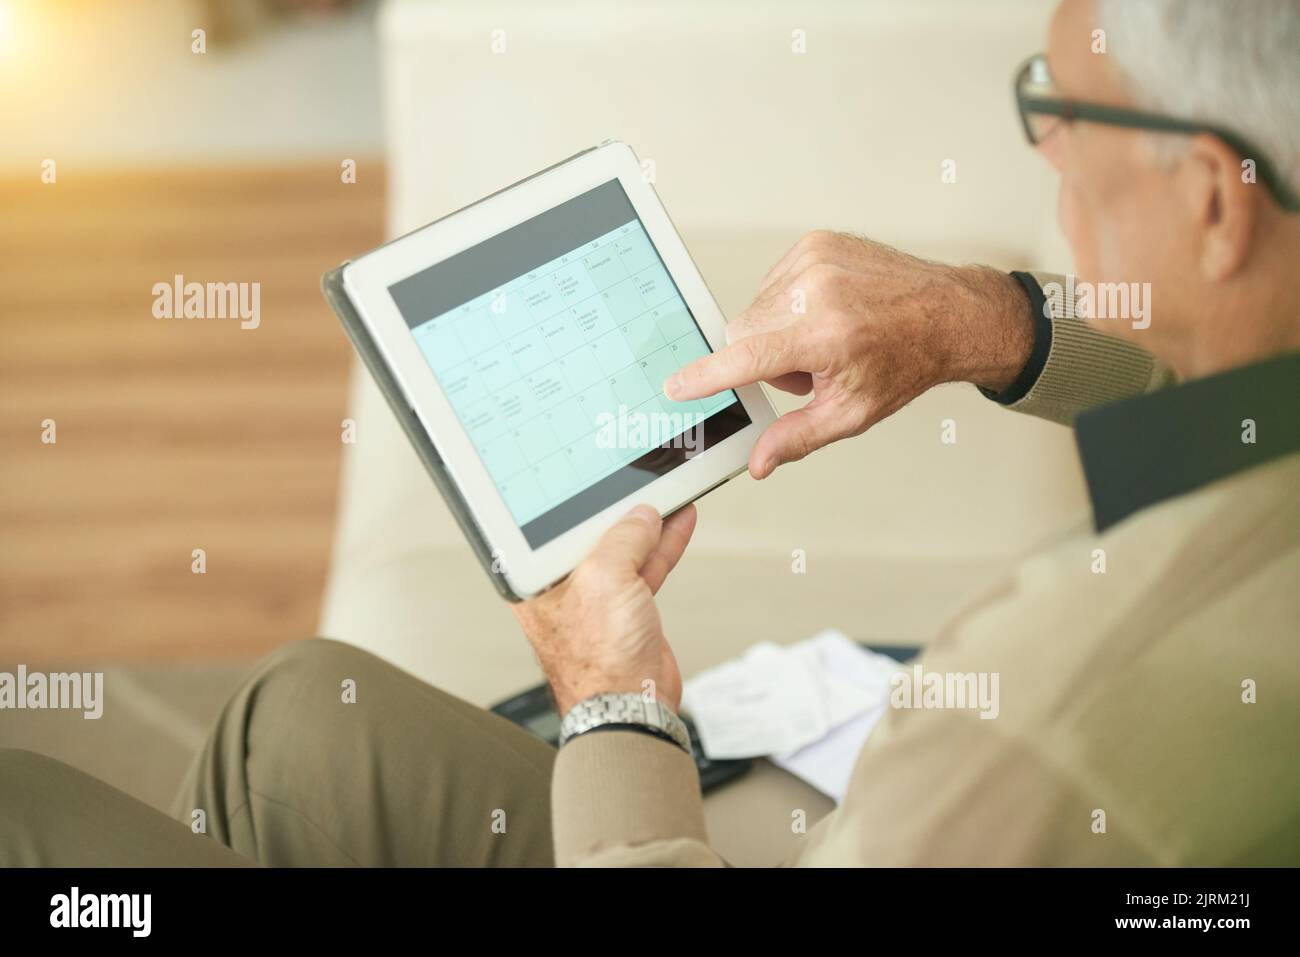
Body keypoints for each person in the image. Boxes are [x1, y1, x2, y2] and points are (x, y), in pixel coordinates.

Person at [2, 0, 1296, 866]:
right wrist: (990, 321)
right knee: (293, 720)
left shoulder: (1060, 709)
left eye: (1063, 105)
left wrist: (615, 704)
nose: (1049, 142)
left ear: (1210, 202)